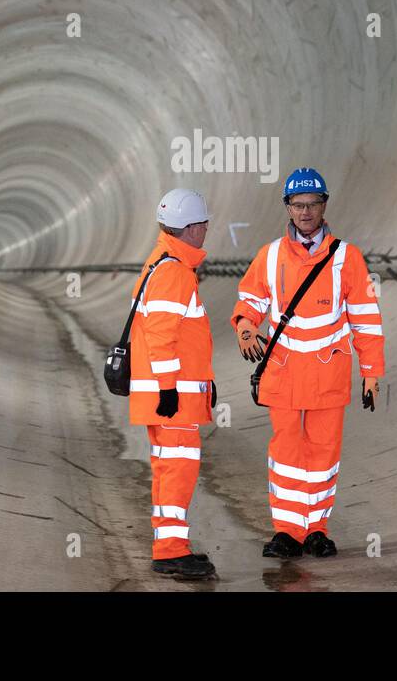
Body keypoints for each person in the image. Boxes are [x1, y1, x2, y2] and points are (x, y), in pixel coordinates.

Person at [230, 167, 384, 558]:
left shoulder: (347, 258)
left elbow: (365, 319)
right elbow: (250, 302)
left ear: (324, 205)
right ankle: (286, 531)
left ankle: (316, 529)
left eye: (312, 204)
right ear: (287, 207)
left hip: (327, 372)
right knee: (286, 453)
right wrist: (246, 328)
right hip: (283, 373)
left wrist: (371, 373)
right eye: (297, 205)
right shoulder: (270, 257)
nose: (305, 213)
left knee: (323, 453)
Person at [129, 188, 217, 578]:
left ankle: (170, 546)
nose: (206, 231)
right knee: (179, 469)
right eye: (204, 225)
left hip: (171, 393)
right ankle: (170, 551)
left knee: (169, 469)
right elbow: (162, 334)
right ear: (194, 228)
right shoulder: (174, 272)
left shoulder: (162, 264)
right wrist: (168, 387)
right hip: (172, 397)